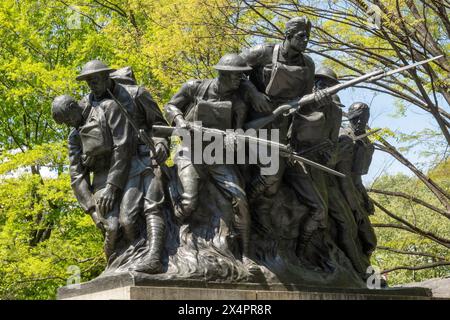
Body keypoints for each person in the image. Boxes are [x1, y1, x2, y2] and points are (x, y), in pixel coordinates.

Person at [164, 53, 257, 272]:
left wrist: (235, 137)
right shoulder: (193, 88)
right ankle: (170, 245)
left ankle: (246, 254)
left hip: (217, 157)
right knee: (188, 201)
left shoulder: (238, 103)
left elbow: (238, 132)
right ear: (223, 74)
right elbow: (170, 106)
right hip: (190, 152)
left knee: (240, 199)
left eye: (241, 76)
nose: (239, 80)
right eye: (236, 76)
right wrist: (180, 121)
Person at [75, 60, 170, 273]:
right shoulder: (88, 105)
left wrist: (162, 142)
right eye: (88, 82)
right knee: (121, 222)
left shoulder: (136, 94)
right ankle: (127, 259)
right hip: (113, 169)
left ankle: (154, 257)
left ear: (107, 76)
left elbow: (160, 125)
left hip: (143, 158)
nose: (92, 85)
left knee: (150, 206)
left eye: (96, 80)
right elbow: (80, 138)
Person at [239, 16, 332, 208]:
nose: (305, 41)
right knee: (257, 168)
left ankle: (249, 203)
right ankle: (239, 206)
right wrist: (254, 94)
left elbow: (304, 104)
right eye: (301, 36)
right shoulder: (262, 52)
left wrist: (318, 102)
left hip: (281, 122)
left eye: (308, 37)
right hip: (254, 114)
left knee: (272, 183)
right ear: (288, 34)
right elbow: (233, 69)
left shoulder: (308, 64)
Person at [52, 94, 131, 261]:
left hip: (128, 171)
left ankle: (138, 258)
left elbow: (122, 145)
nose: (68, 125)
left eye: (67, 120)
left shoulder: (104, 109)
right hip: (102, 180)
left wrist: (112, 184)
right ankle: (113, 264)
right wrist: (92, 211)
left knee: (131, 221)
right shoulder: (74, 137)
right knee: (111, 227)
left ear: (74, 107)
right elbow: (77, 176)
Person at [336, 102, 377, 260]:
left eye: (364, 118)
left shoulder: (366, 142)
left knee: (369, 241)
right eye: (357, 118)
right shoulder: (343, 137)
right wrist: (354, 207)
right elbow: (343, 176)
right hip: (339, 190)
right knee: (367, 239)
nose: (360, 122)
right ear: (350, 117)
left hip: (355, 190)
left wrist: (365, 198)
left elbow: (357, 176)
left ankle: (363, 268)